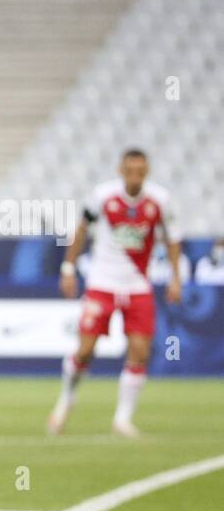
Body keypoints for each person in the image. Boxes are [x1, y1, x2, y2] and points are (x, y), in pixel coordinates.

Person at [48, 148, 182, 437]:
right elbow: (81, 230)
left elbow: (173, 239)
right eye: (130, 170)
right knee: (85, 350)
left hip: (137, 286)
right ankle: (66, 399)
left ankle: (122, 419)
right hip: (102, 283)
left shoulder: (160, 200)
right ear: (121, 170)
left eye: (141, 171)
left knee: (140, 351)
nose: (135, 176)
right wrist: (68, 269)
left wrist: (175, 278)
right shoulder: (102, 196)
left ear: (147, 172)